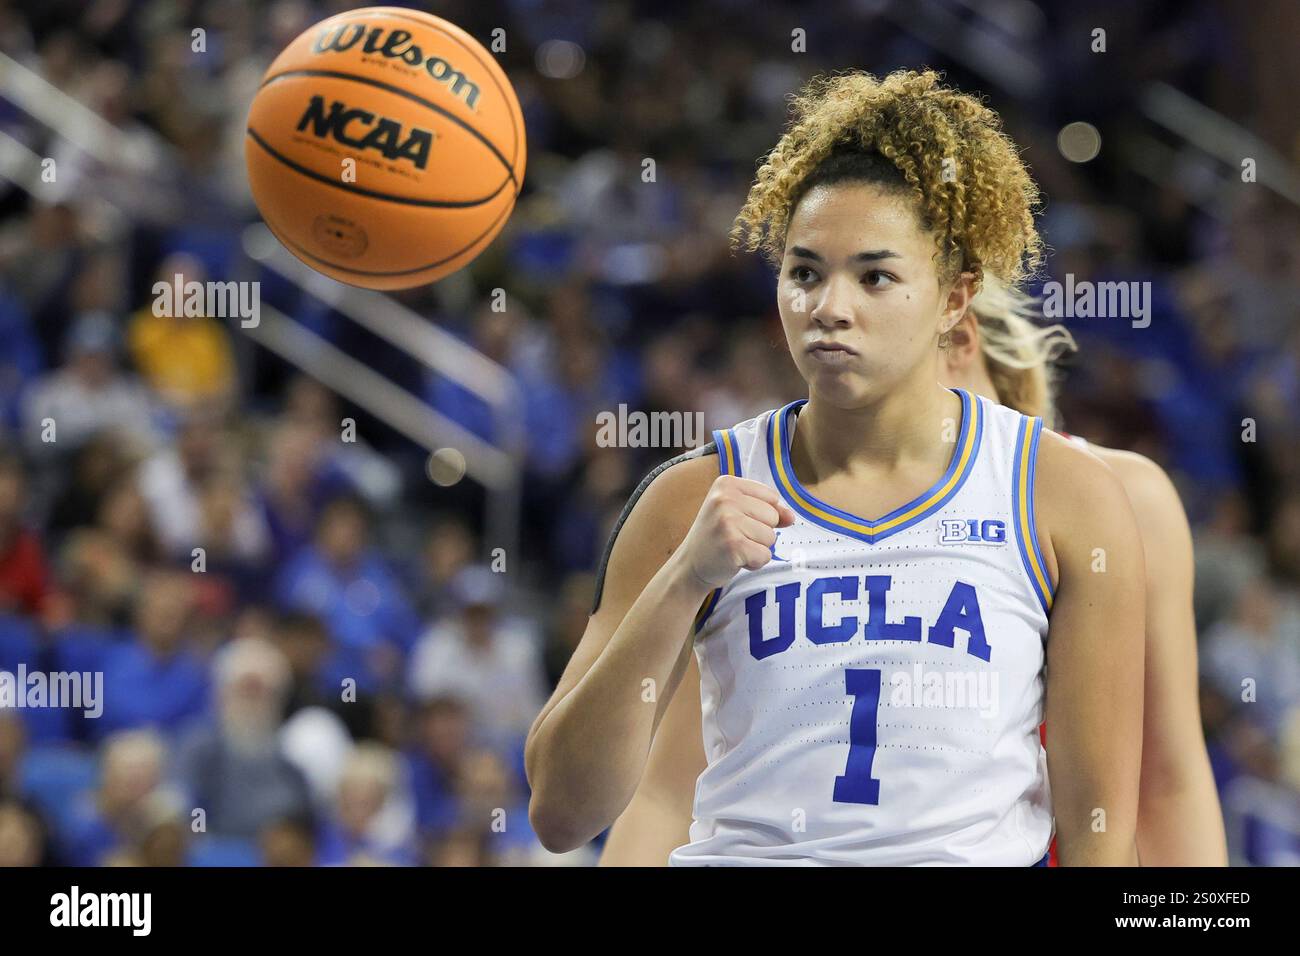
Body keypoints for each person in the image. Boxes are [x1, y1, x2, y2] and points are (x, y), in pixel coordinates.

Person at [525, 69, 1147, 865]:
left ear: (955, 299)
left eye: (875, 276)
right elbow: (561, 813)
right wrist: (683, 579)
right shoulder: (693, 496)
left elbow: (1101, 836)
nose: (830, 307)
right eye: (806, 272)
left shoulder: (1065, 497)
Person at [599, 275, 1229, 867]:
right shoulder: (761, 511)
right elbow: (667, 788)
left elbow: (1167, 781)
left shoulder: (1117, 500)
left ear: (954, 335)